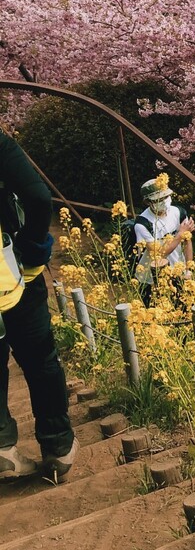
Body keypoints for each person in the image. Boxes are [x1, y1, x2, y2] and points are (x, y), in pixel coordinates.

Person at [0, 130, 77, 484]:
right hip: (12, 272)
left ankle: (2, 447)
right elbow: (36, 196)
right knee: (40, 357)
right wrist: (31, 248)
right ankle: (57, 446)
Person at [133, 177, 194, 306]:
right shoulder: (142, 224)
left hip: (178, 272)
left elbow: (187, 241)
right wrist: (179, 234)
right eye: (158, 200)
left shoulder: (179, 212)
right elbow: (159, 254)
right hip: (150, 279)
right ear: (148, 202)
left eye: (166, 197)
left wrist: (189, 269)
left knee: (184, 311)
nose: (164, 201)